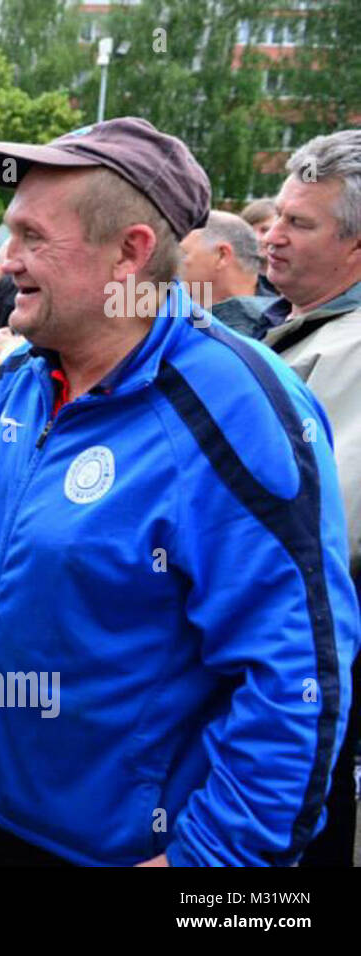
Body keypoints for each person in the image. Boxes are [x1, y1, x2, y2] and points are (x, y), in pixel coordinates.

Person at [0, 117, 359, 866]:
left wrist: (205, 863)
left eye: (32, 237)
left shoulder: (237, 410)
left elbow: (297, 677)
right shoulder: (26, 376)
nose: (5, 260)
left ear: (130, 253)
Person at [260, 129, 361, 866]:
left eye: (300, 223)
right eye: (276, 216)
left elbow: (329, 520)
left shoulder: (352, 345)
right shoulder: (301, 328)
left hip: (304, 658)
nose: (273, 235)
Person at [178, 210, 275, 338]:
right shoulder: (277, 316)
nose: (172, 264)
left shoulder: (269, 327)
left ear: (222, 255)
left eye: (183, 254)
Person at [240, 197, 280, 297]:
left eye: (265, 230)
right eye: (249, 230)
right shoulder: (228, 276)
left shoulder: (295, 283)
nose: (256, 237)